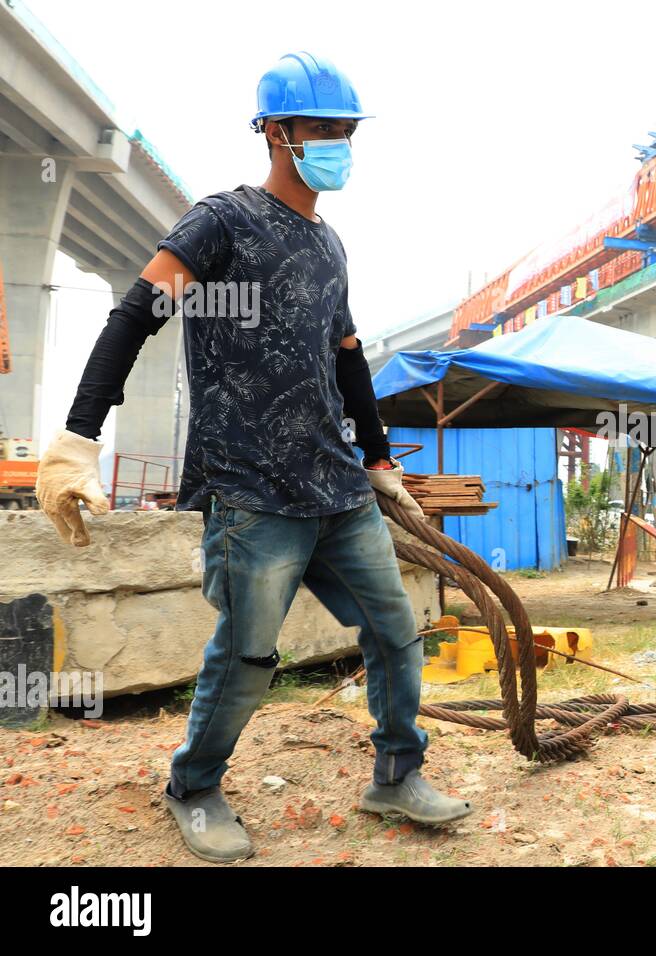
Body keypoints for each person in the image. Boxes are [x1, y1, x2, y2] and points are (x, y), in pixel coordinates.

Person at [35, 53, 472, 863]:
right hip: (250, 492)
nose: (339, 143)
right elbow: (135, 316)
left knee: (397, 630)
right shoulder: (219, 223)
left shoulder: (330, 244)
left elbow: (346, 359)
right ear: (277, 133)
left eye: (347, 130)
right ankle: (194, 788)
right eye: (323, 129)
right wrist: (77, 437)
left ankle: (396, 774)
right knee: (247, 652)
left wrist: (378, 461)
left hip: (335, 488)